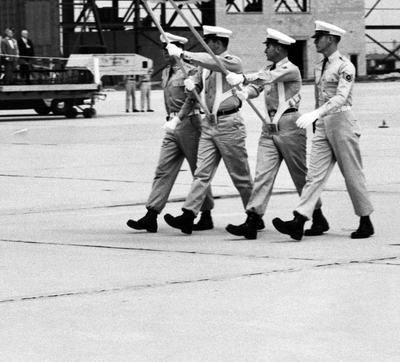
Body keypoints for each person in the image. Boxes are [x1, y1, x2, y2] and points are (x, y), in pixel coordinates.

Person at [272, 21, 375, 240]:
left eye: (318, 38)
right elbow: (320, 96)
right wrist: (317, 118)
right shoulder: (320, 66)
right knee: (314, 175)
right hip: (323, 124)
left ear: (330, 39)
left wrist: (316, 113)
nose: (315, 42)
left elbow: (341, 97)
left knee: (352, 175)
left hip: (342, 123)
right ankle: (300, 220)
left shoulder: (345, 66)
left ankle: (365, 220)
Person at [224, 28, 317, 239]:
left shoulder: (290, 69)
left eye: (268, 46)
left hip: (289, 125)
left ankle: (317, 215)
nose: (265, 50)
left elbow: (266, 78)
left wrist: (242, 77)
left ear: (278, 49)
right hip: (269, 126)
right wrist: (245, 92)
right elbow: (257, 87)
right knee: (262, 175)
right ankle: (252, 219)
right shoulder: (267, 69)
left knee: (299, 175)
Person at [162, 26, 253, 234]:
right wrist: (190, 88)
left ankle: (254, 215)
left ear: (217, 43)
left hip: (229, 124)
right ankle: (188, 215)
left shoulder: (232, 62)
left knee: (240, 175)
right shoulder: (202, 68)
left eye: (207, 42)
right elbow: (193, 93)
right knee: (201, 173)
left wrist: (183, 54)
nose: (204, 45)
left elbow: (213, 61)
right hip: (209, 124)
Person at [127, 34, 214, 233]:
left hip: (189, 123)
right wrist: (172, 121)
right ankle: (151, 214)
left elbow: (192, 99)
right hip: (172, 125)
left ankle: (206, 215)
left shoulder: (190, 69)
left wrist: (178, 119)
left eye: (168, 49)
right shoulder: (167, 71)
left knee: (198, 171)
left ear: (178, 49)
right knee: (163, 170)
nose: (165, 52)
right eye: (163, 49)